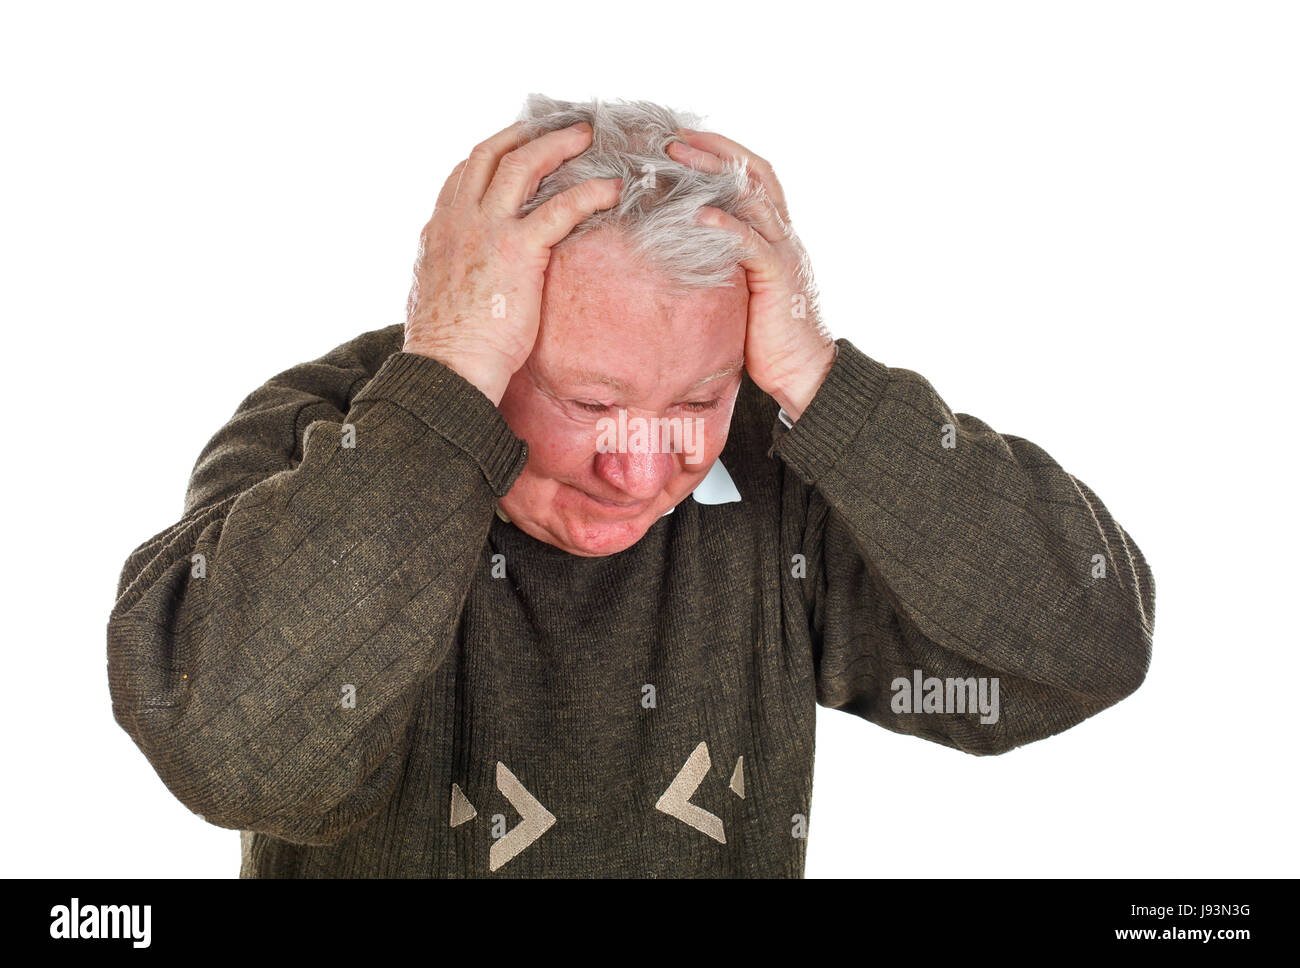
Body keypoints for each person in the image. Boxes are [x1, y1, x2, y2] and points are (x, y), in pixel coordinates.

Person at [107, 94, 1155, 878]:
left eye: (695, 402)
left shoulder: (778, 458)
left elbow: (1078, 652)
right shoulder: (327, 431)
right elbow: (235, 758)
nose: (645, 470)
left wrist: (823, 385)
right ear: (481, 331)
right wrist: (439, 393)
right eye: (591, 404)